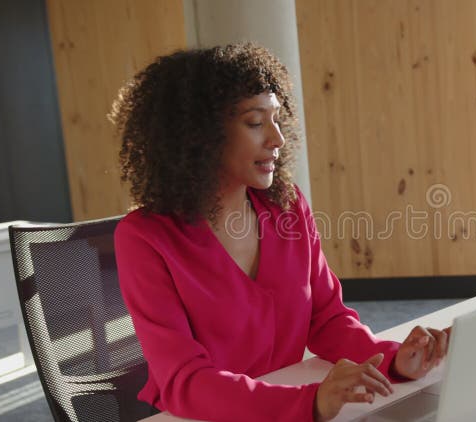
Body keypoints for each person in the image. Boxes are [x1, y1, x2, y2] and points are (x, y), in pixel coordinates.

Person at [110, 43, 450, 422]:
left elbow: (327, 320)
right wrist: (308, 403)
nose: (277, 139)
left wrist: (393, 359)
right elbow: (184, 380)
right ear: (199, 135)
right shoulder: (143, 239)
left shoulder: (286, 206)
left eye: (276, 119)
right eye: (256, 122)